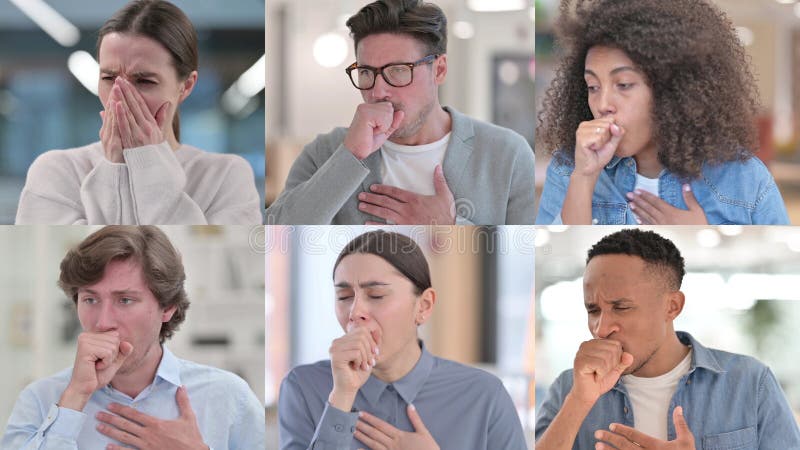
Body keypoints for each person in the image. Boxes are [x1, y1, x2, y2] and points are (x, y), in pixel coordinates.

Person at [266, 0, 535, 225]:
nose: (378, 91)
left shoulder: (508, 155)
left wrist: (451, 228)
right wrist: (350, 156)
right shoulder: (324, 152)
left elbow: (522, 259)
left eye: (397, 70)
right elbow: (275, 240)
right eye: (366, 72)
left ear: (439, 70)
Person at [1, 226, 265, 449]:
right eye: (90, 299)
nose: (103, 322)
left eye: (125, 300)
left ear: (167, 307)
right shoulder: (39, 400)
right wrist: (75, 398)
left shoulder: (230, 398)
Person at [535, 229, 800, 449]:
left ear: (672, 306)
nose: (601, 329)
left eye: (622, 307)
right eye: (593, 310)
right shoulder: (567, 390)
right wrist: (579, 401)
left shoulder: (751, 383)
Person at [535, 0, 790, 225]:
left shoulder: (745, 179)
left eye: (623, 84)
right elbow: (551, 256)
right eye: (593, 86)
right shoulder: (568, 170)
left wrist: (705, 236)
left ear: (673, 89)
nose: (603, 104)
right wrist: (583, 179)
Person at [15, 0, 261, 225]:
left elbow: (190, 256)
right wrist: (115, 166)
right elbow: (90, 256)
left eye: (144, 81)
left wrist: (148, 162)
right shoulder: (56, 171)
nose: (120, 96)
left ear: (185, 86)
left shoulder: (226, 176)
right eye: (109, 78)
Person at [278, 230, 527, 449]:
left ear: (424, 306)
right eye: (344, 296)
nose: (354, 312)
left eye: (376, 295)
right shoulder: (303, 388)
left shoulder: (485, 396)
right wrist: (342, 396)